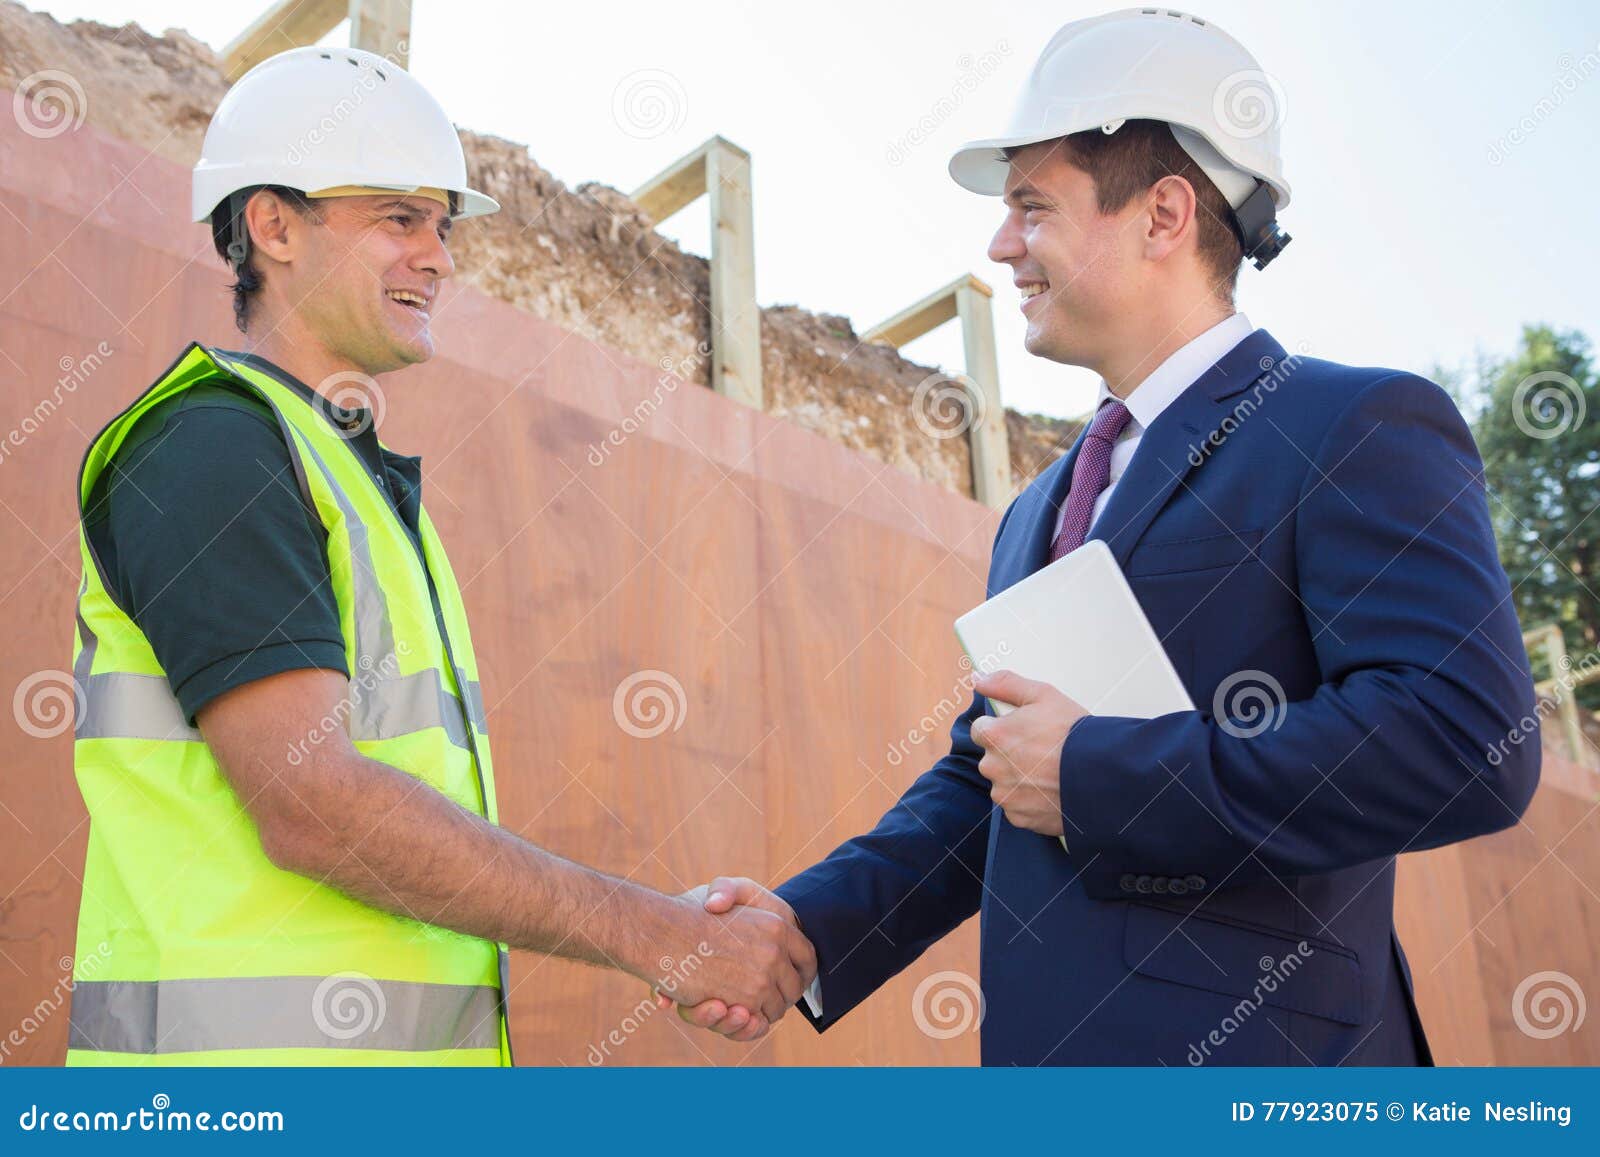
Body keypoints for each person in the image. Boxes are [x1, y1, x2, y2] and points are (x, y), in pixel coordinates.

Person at [671, 8, 1539, 1064]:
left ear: (1163, 213)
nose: (998, 246)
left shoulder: (1349, 427)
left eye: (1031, 208)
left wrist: (1098, 769)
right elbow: (998, 771)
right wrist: (809, 928)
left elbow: (1459, 739)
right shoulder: (1042, 506)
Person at [65, 46, 812, 1066]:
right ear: (273, 225)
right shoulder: (214, 443)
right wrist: (657, 933)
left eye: (442, 225)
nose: (439, 256)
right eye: (398, 218)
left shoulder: (345, 476)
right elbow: (313, 803)